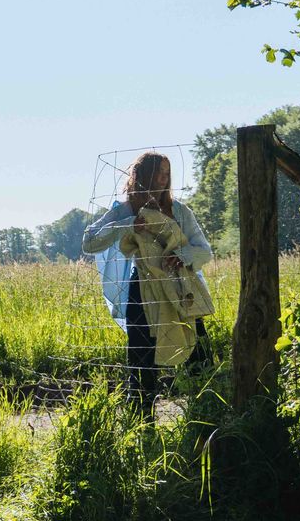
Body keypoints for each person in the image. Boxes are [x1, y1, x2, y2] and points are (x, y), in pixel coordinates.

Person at [82, 152, 214, 408]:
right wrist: (129, 225)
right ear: (142, 175)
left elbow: (204, 250)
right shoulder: (125, 209)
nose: (163, 179)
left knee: (197, 349)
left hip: (181, 287)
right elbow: (89, 242)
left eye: (167, 173)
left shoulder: (180, 210)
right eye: (158, 173)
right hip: (142, 288)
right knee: (142, 355)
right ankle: (142, 416)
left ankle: (206, 411)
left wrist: (182, 255)